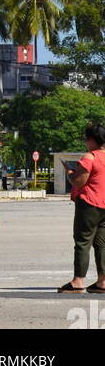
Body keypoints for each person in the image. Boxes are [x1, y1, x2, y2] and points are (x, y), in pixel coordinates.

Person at [59, 123, 105, 294]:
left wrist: (70, 172)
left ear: (92, 140)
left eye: (87, 139)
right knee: (101, 244)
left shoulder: (90, 157)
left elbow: (79, 182)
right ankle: (102, 282)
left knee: (82, 241)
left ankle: (78, 281)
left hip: (89, 204)